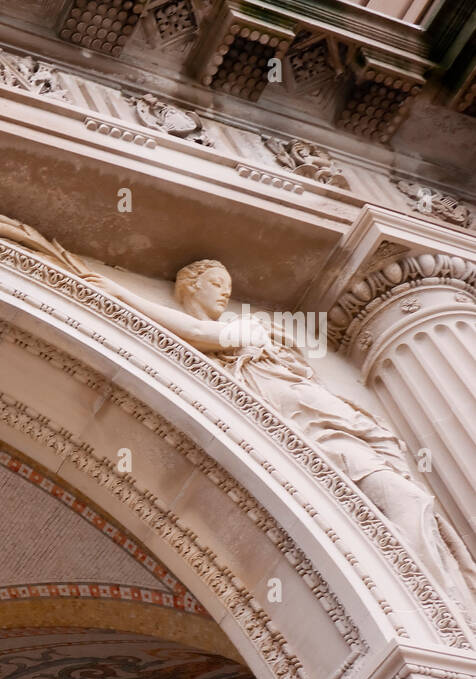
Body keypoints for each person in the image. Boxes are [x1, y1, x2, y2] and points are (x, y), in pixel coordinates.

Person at [84, 258, 476, 621]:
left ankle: (439, 594)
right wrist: (120, 294)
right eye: (216, 282)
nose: (224, 291)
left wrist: (120, 293)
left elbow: (204, 333)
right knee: (400, 496)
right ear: (189, 286)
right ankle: (437, 597)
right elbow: (197, 332)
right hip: (305, 427)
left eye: (228, 285)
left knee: (404, 493)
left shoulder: (249, 326)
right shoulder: (224, 336)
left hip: (324, 415)